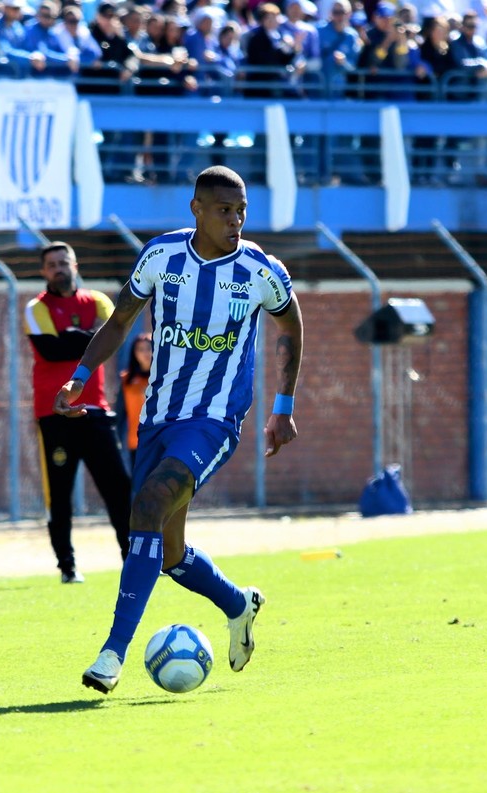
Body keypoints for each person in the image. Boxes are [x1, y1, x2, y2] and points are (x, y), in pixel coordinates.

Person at [55, 166, 304, 694]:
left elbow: (290, 324)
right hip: (158, 417)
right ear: (196, 209)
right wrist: (79, 376)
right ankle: (239, 604)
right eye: (223, 211)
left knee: (147, 505)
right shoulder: (162, 257)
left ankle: (111, 654)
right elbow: (119, 321)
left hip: (215, 420)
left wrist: (283, 406)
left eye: (241, 211)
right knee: (168, 552)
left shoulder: (261, 270)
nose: (235, 220)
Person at [24, 242, 131, 584]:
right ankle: (67, 567)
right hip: (53, 414)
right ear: (44, 271)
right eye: (51, 264)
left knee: (118, 488)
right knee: (60, 494)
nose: (58, 268)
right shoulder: (35, 308)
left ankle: (132, 560)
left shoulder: (97, 300)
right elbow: (51, 350)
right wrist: (87, 337)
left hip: (94, 410)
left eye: (63, 262)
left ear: (75, 263)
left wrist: (74, 336)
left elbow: (114, 335)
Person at [118, 332, 152, 466]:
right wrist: (118, 441)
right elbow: (120, 416)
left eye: (149, 348)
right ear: (134, 353)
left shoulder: (165, 378)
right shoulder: (127, 381)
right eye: (140, 349)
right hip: (136, 442)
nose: (145, 353)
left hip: (161, 442)